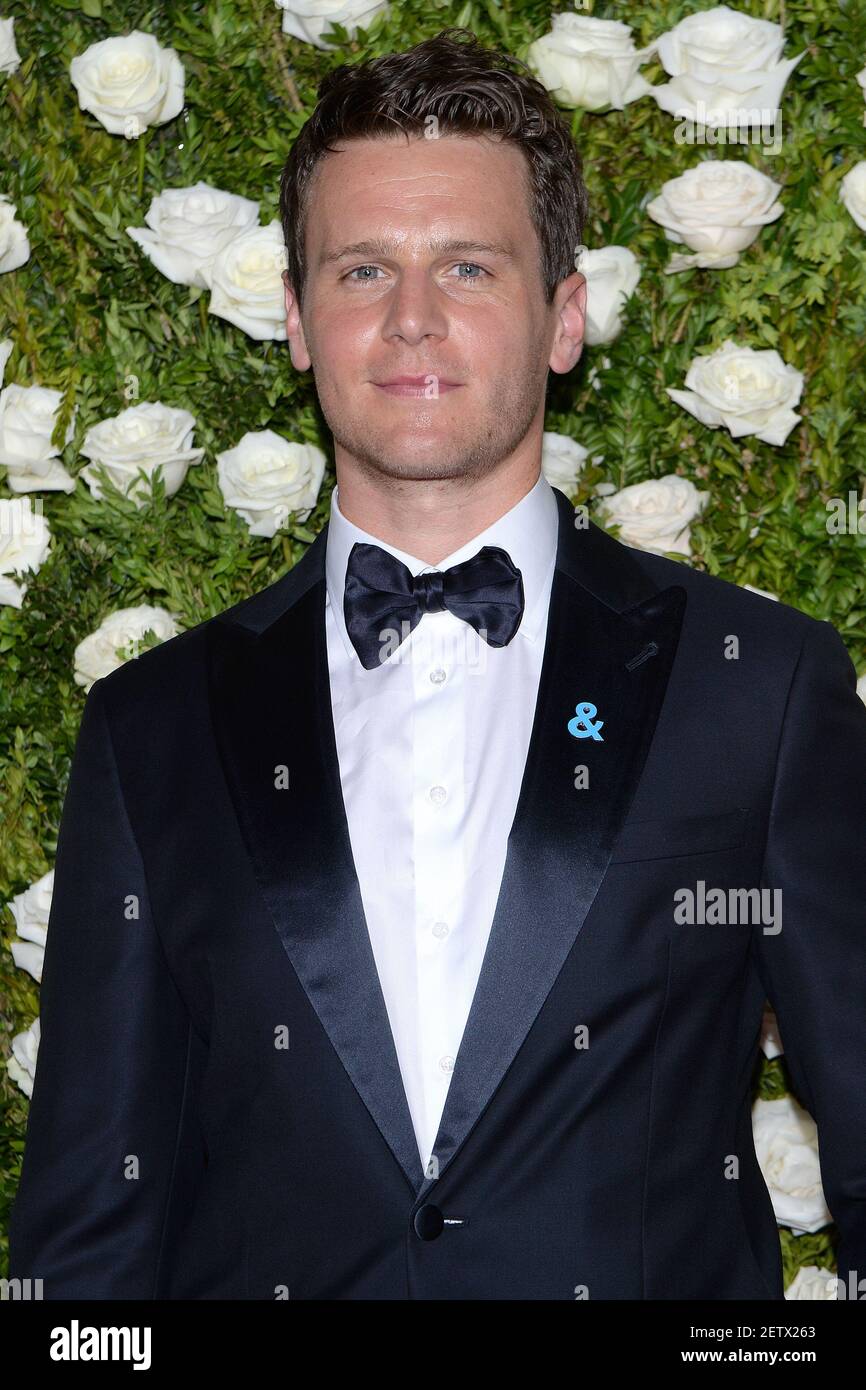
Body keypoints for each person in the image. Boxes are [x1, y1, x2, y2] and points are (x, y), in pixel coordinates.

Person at [9, 28, 866, 1301]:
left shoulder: (761, 686)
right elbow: (87, 1238)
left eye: (467, 266)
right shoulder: (152, 725)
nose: (410, 318)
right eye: (362, 270)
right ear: (297, 322)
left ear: (563, 317)